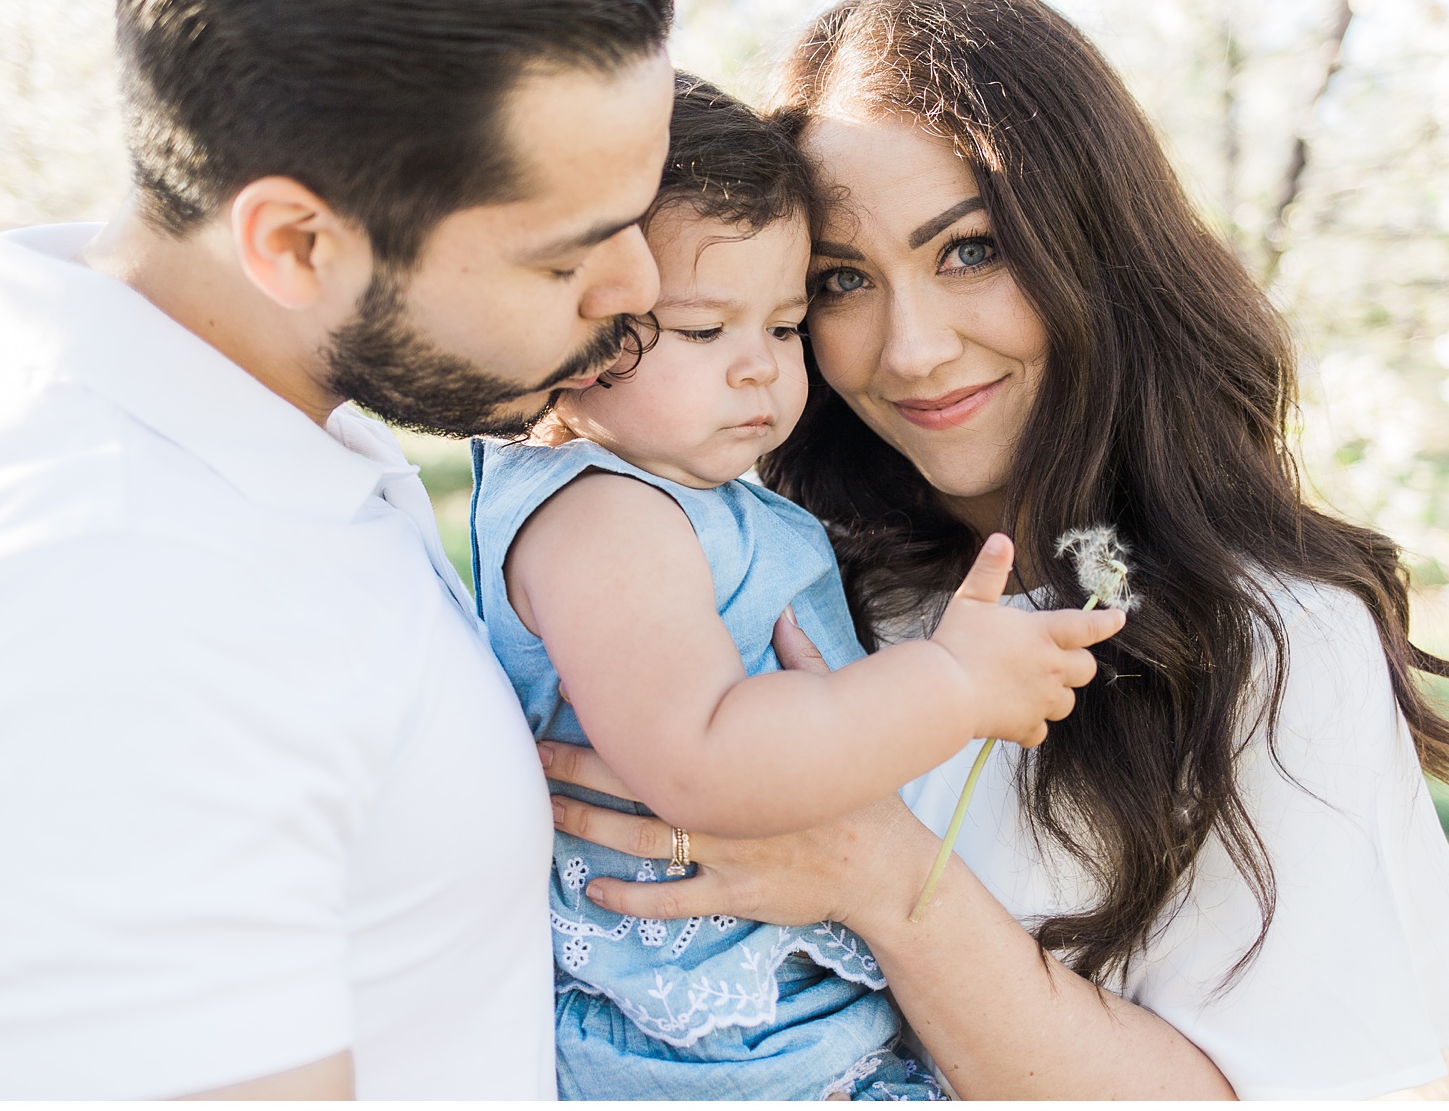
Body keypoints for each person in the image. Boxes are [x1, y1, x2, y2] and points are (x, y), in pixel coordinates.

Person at [0, 0, 677, 1099]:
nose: (642, 294)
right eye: (567, 260)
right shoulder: (99, 634)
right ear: (294, 242)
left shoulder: (236, 435)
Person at [546, 0, 1449, 1100]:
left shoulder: (1277, 640)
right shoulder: (756, 567)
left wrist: (875, 869)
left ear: (1093, 246)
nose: (910, 349)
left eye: (967, 251)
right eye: (842, 280)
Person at [469, 76, 1118, 1099]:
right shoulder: (602, 517)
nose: (757, 371)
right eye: (699, 330)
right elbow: (700, 758)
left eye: (780, 327)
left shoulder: (690, 496)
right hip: (707, 1050)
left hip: (777, 1025)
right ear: (579, 316)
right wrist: (948, 684)